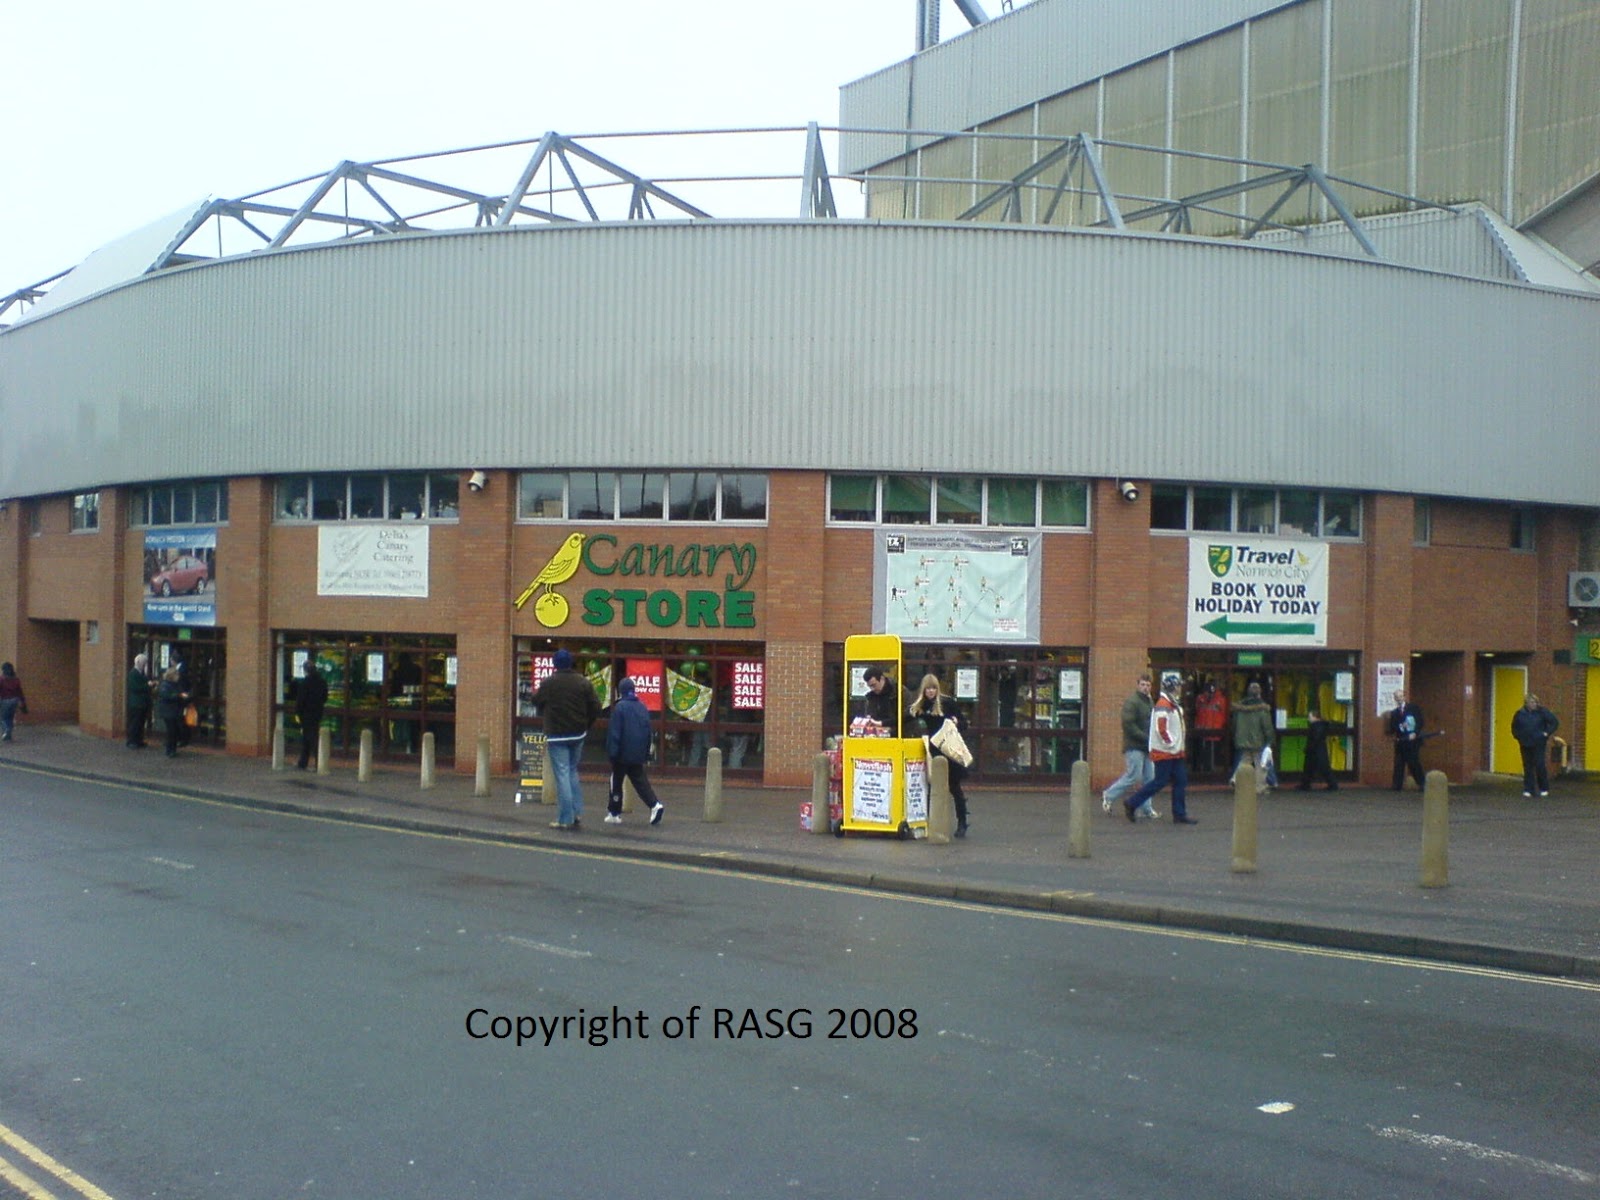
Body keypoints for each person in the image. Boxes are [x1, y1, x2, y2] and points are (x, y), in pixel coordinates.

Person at [533, 648, 602, 830]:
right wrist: (586, 724)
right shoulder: (582, 682)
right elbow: (596, 706)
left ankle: (565, 818)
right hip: (578, 733)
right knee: (572, 772)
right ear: (571, 663)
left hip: (556, 735)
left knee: (562, 774)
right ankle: (576, 812)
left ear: (555, 664)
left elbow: (536, 701)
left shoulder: (549, 683)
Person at [1126, 673, 1195, 824]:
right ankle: (1132, 803)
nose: (1179, 689)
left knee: (1179, 781)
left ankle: (1179, 814)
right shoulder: (1164, 705)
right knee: (1160, 781)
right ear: (1172, 687)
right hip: (1165, 752)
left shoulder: (1171, 704)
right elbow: (1161, 729)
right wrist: (1171, 744)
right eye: (1177, 686)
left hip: (1174, 752)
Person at [909, 673, 972, 836]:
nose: (931, 691)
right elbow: (905, 719)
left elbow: (964, 723)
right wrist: (881, 723)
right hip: (933, 751)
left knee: (955, 788)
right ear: (923, 690)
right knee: (931, 788)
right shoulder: (920, 706)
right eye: (928, 688)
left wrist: (957, 722)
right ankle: (931, 823)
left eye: (933, 688)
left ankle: (962, 822)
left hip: (948, 751)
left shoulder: (947, 703)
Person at [604, 677, 664, 826]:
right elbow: (648, 731)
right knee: (640, 781)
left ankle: (614, 812)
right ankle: (655, 804)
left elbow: (615, 733)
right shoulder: (642, 707)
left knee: (616, 781)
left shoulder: (620, 708)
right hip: (637, 752)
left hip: (622, 753)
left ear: (621, 691)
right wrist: (646, 752)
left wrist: (612, 752)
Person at [1102, 673, 1157, 819]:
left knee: (1150, 778)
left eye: (1148, 685)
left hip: (1147, 746)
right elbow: (1128, 724)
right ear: (1138, 685)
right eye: (1143, 685)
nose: (1145, 688)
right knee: (1134, 775)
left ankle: (1147, 809)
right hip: (1134, 745)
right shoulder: (1132, 702)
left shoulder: (1150, 701)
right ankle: (1109, 795)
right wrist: (1145, 738)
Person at [1230, 681, 1276, 794]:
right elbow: (1267, 727)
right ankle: (1260, 787)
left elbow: (1234, 724)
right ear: (1259, 693)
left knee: (1244, 760)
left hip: (1242, 740)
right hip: (1258, 741)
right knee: (1261, 764)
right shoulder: (1262, 709)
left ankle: (1235, 779)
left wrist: (1235, 736)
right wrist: (1270, 739)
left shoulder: (1240, 707)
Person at [1510, 693, 1559, 798]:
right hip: (1525, 743)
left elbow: (1554, 722)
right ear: (1526, 703)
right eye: (1531, 702)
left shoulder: (1542, 712)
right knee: (1528, 766)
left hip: (1539, 743)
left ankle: (1544, 788)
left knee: (1539, 764)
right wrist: (1518, 737)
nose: (1534, 704)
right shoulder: (1520, 714)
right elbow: (1514, 727)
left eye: (1535, 702)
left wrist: (1546, 733)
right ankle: (1528, 789)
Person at [1387, 690, 1426, 791]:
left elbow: (1420, 722)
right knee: (1399, 763)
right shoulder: (1394, 713)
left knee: (1413, 763)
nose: (1399, 699)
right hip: (1401, 741)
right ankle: (1397, 785)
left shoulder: (1413, 708)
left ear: (1404, 697)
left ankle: (1422, 783)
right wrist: (1400, 726)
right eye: (1397, 697)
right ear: (1395, 699)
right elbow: (1392, 728)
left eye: (1400, 696)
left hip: (1413, 741)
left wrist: (1415, 733)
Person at [294, 659, 329, 770]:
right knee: (308, 738)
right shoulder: (322, 682)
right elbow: (325, 697)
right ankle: (303, 762)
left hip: (306, 714)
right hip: (317, 713)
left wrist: (298, 713)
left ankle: (318, 762)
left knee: (310, 738)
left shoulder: (305, 683)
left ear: (305, 670)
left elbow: (300, 700)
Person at [1296, 707, 1341, 791]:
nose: (1309, 718)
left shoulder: (1316, 726)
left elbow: (1315, 739)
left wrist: (1309, 748)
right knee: (1315, 768)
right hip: (1318, 750)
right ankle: (1306, 785)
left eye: (1310, 716)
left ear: (1315, 717)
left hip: (1316, 751)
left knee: (1315, 768)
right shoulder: (1320, 725)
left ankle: (1331, 785)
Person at [155, 667, 190, 758]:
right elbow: (167, 696)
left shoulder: (175, 684)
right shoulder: (165, 685)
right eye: (176, 674)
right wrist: (179, 696)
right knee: (171, 731)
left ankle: (172, 749)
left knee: (174, 730)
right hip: (168, 711)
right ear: (172, 676)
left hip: (174, 710)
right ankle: (169, 749)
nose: (178, 676)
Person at [860, 666, 900, 735]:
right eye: (869, 686)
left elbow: (906, 716)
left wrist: (882, 723)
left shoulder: (899, 692)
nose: (872, 689)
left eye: (874, 685)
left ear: (882, 679)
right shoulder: (871, 697)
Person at [126, 653, 154, 748]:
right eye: (143, 663)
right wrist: (148, 685)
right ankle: (132, 741)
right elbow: (135, 688)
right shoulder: (133, 673)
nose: (144, 665)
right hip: (136, 703)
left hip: (142, 703)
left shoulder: (141, 673)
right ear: (138, 662)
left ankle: (138, 740)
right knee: (135, 723)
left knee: (141, 723)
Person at [0, 662, 27, 741]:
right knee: (10, 718)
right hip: (15, 701)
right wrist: (23, 702)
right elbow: (20, 691)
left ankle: (6, 730)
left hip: (5, 700)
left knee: (2, 718)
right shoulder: (16, 679)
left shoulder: (1, 679)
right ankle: (8, 736)